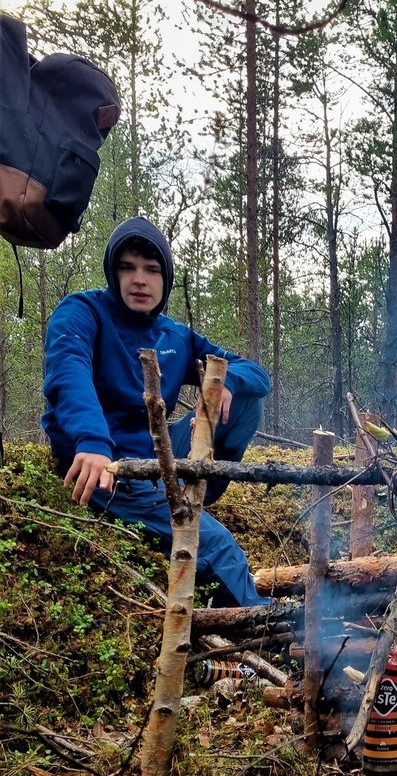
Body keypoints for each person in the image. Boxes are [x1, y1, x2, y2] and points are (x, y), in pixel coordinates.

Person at [43, 216, 271, 607]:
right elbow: (69, 372)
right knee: (217, 543)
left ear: (165, 278)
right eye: (127, 267)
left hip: (156, 453)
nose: (139, 280)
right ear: (113, 273)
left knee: (247, 400)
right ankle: (267, 626)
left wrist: (224, 383)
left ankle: (195, 491)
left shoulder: (174, 336)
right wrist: (93, 442)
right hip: (106, 462)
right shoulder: (82, 312)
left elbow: (256, 373)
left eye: (151, 270)